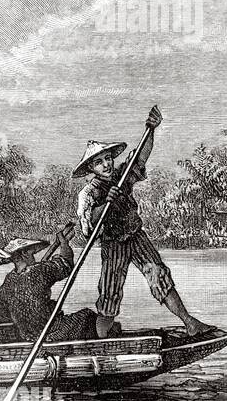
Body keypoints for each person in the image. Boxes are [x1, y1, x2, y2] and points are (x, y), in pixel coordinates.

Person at [75, 106, 214, 338]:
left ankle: (190, 323)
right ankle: (101, 339)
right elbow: (89, 228)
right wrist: (104, 205)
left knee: (159, 274)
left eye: (108, 158)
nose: (106, 164)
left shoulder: (122, 175)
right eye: (99, 162)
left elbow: (140, 157)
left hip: (136, 235)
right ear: (91, 168)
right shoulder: (89, 193)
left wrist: (151, 130)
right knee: (110, 293)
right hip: (114, 244)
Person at [0, 222, 98, 342]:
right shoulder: (38, 271)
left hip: (27, 335)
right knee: (87, 316)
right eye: (32, 253)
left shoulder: (9, 280)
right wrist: (64, 243)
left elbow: (1, 316)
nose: (34, 257)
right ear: (24, 254)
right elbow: (66, 264)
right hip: (50, 331)